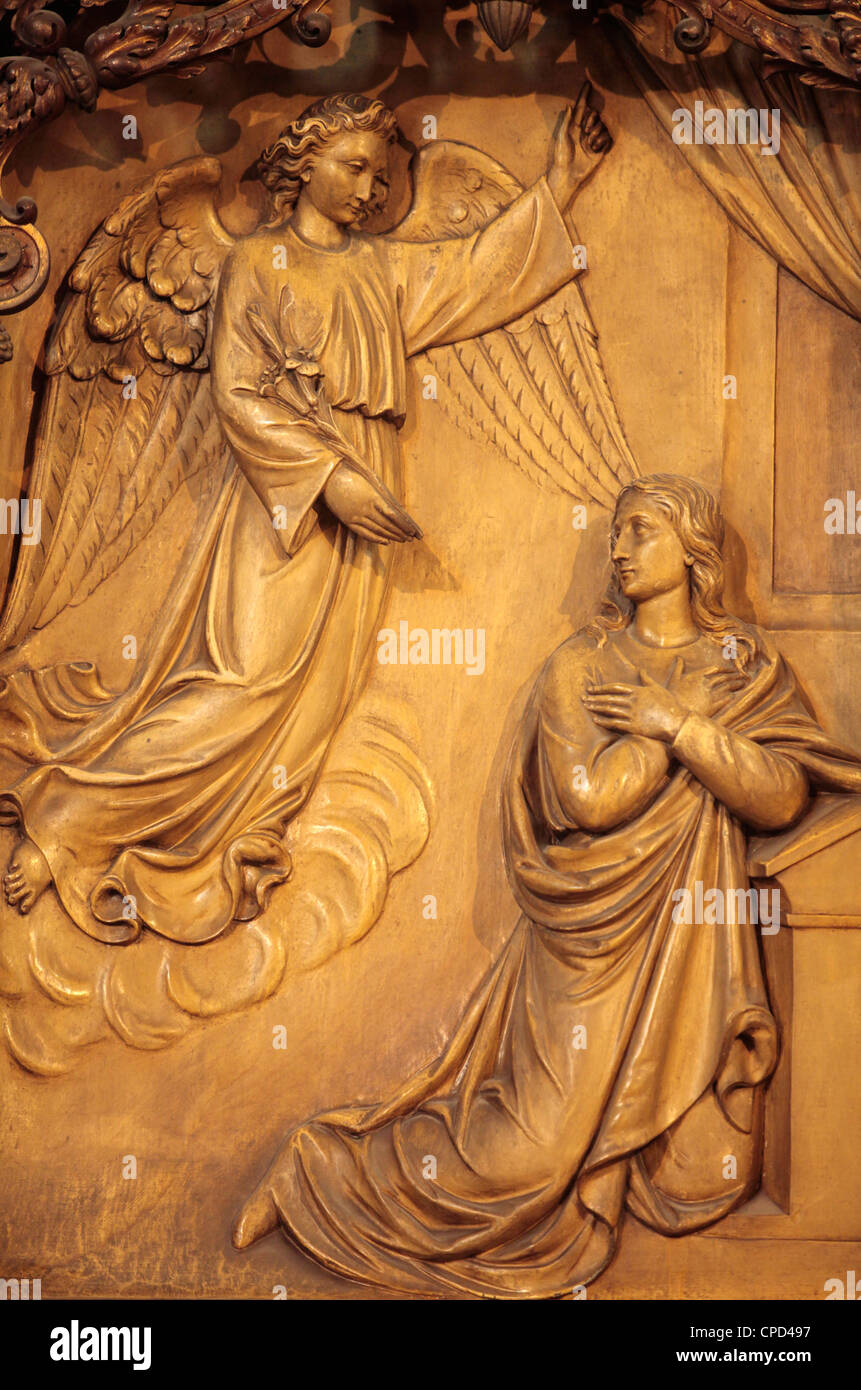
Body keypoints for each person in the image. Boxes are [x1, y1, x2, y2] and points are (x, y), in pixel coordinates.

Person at [0, 90, 609, 943]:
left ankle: (230, 844)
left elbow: (474, 273)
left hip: (359, 504)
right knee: (248, 683)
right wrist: (330, 480)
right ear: (300, 163)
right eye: (353, 166)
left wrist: (558, 188)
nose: (369, 188)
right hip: (283, 504)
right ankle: (63, 820)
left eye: (381, 174)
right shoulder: (259, 262)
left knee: (315, 703)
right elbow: (240, 393)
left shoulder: (381, 268)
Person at [233, 473, 861, 1298]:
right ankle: (317, 1170)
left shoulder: (738, 662)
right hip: (586, 947)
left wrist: (678, 723)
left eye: (642, 530)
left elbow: (781, 795)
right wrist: (664, 729)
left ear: (694, 548)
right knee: (524, 1159)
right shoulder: (582, 666)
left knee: (712, 1168)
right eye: (616, 532)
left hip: (691, 952)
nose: (620, 547)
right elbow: (589, 801)